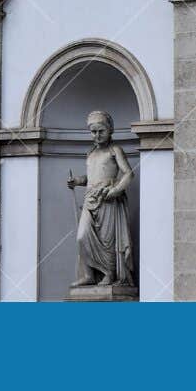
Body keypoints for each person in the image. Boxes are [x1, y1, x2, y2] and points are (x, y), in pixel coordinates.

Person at [67, 110, 136, 290]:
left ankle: (109, 273)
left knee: (107, 240)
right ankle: (89, 275)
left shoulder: (115, 150)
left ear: (110, 130)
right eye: (93, 132)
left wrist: (115, 190)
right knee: (82, 236)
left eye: (101, 131)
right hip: (91, 199)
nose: (97, 135)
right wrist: (78, 181)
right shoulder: (91, 153)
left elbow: (129, 174)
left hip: (108, 200)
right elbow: (91, 178)